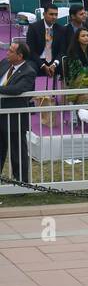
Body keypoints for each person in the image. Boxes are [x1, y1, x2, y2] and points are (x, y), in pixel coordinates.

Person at [0, 41, 36, 183]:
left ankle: (21, 182)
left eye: (10, 51)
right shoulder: (4, 63)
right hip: (1, 114)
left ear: (20, 56)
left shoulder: (29, 71)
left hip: (15, 117)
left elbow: (16, 89)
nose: (7, 53)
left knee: (17, 152)